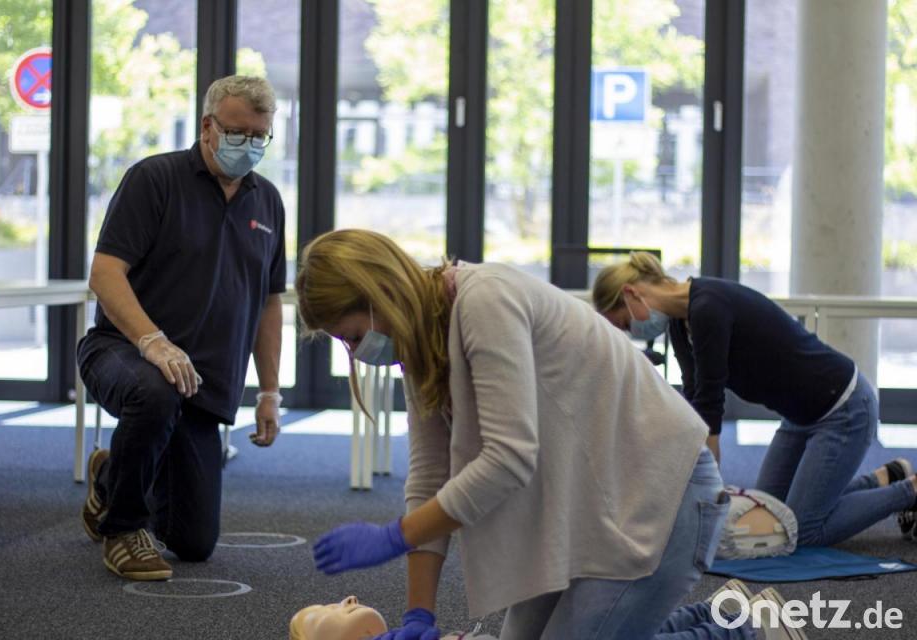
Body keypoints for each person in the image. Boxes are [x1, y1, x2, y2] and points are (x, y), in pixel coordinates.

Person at [295, 229, 740, 640]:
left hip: (662, 497)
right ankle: (730, 618)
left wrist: (397, 536)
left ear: (382, 295)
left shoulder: (485, 300)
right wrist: (418, 613)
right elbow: (430, 476)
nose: (357, 351)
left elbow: (508, 458)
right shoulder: (421, 343)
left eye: (354, 336)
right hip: (591, 506)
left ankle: (746, 630)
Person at [78, 75, 287, 581]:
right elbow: (105, 273)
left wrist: (269, 392)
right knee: (155, 391)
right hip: (123, 353)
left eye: (259, 136)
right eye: (237, 133)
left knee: (194, 543)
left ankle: (111, 474)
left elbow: (268, 301)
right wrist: (153, 342)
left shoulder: (267, 201)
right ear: (207, 127)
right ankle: (122, 529)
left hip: (199, 387)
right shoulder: (155, 179)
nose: (248, 145)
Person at [592, 252, 917, 549]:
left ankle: (910, 491)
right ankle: (885, 477)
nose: (632, 331)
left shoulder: (707, 306)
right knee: (771, 517)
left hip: (844, 409)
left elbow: (710, 405)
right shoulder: (679, 323)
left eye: (624, 323)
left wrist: (705, 487)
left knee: (802, 531)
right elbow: (693, 398)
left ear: (631, 293)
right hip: (800, 415)